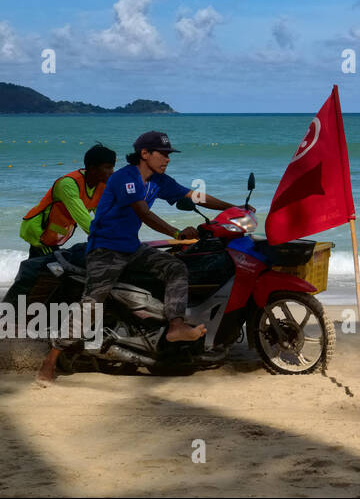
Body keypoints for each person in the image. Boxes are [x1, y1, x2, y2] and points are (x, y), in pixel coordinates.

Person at [37, 131, 240, 385]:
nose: (167, 159)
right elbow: (143, 213)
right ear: (144, 154)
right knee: (91, 304)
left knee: (175, 267)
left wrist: (233, 208)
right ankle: (51, 360)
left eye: (168, 155)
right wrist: (176, 233)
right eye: (162, 154)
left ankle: (176, 326)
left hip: (131, 248)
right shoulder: (125, 178)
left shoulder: (159, 180)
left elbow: (192, 196)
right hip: (105, 250)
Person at [19, 143, 117, 258]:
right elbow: (82, 217)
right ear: (93, 169)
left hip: (54, 231)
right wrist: (108, 240)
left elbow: (103, 215)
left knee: (49, 266)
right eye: (108, 167)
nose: (112, 172)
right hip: (39, 229)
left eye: (112, 167)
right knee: (43, 264)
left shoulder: (101, 186)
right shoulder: (68, 184)